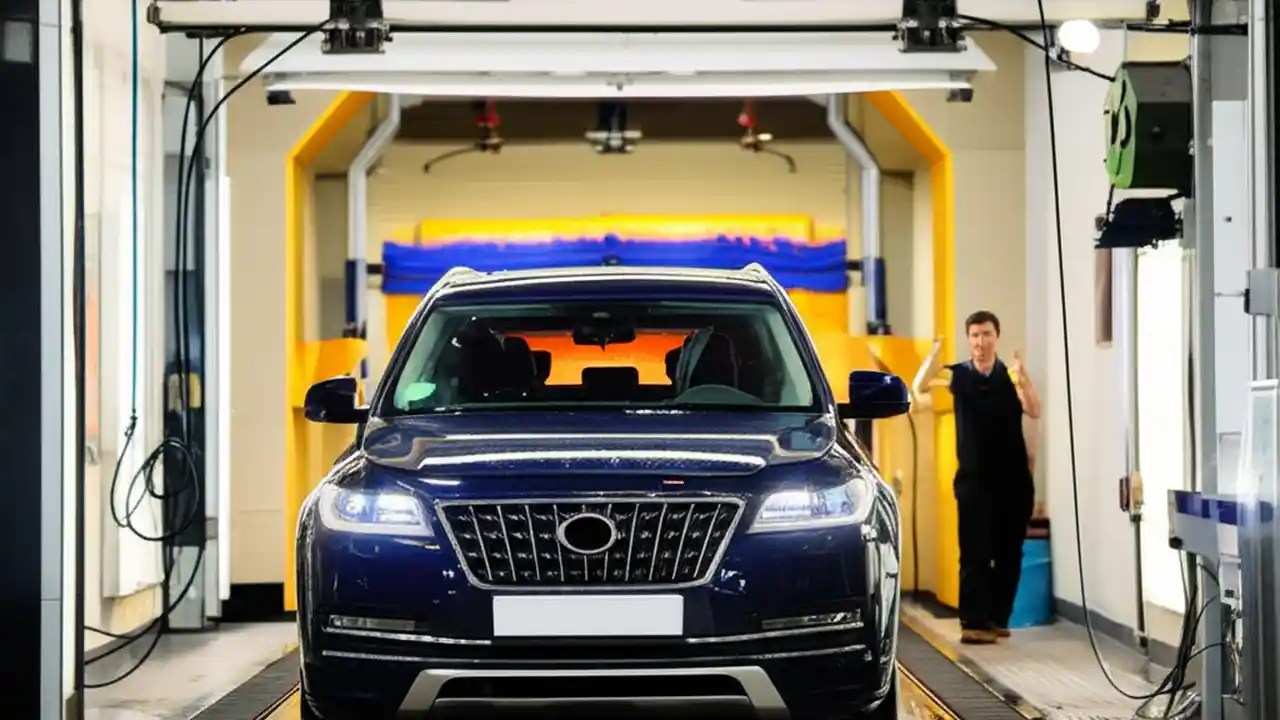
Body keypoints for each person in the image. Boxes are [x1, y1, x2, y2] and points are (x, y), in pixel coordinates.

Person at [917, 310, 1041, 645]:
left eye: (986, 334)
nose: (980, 342)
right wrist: (934, 353)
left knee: (1009, 551)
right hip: (974, 481)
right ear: (968, 339)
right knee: (974, 551)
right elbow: (919, 387)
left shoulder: (1009, 377)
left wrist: (1024, 379)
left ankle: (997, 618)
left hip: (1012, 480)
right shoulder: (959, 376)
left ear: (996, 337)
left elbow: (1034, 409)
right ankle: (972, 621)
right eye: (974, 335)